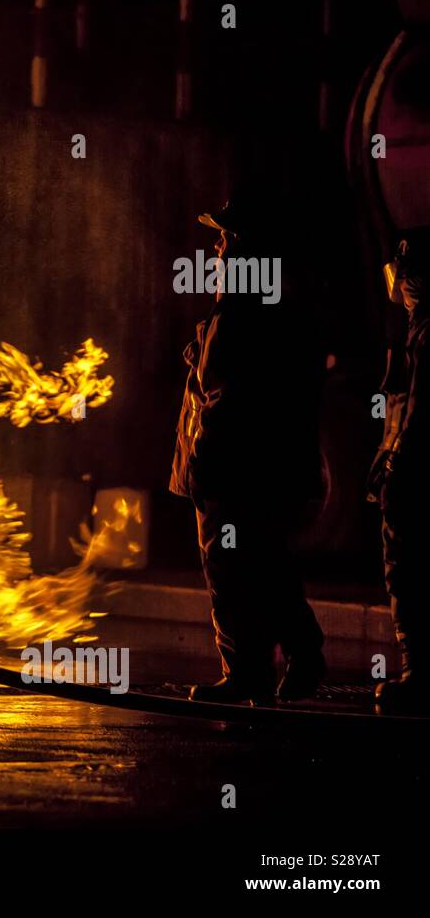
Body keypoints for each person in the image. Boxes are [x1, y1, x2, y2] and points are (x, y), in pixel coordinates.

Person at [169, 196, 327, 706]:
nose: (215, 247)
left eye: (223, 238)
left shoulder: (243, 308)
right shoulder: (266, 302)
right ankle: (292, 660)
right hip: (256, 469)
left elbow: (230, 397)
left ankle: (251, 672)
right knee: (264, 565)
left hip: (233, 472)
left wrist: (203, 465)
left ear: (241, 247)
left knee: (234, 569)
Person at [369, 228, 430, 712]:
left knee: (408, 567)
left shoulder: (428, 331)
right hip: (411, 463)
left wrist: (397, 464)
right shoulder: (417, 331)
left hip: (417, 473)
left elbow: (421, 413)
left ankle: (419, 675)